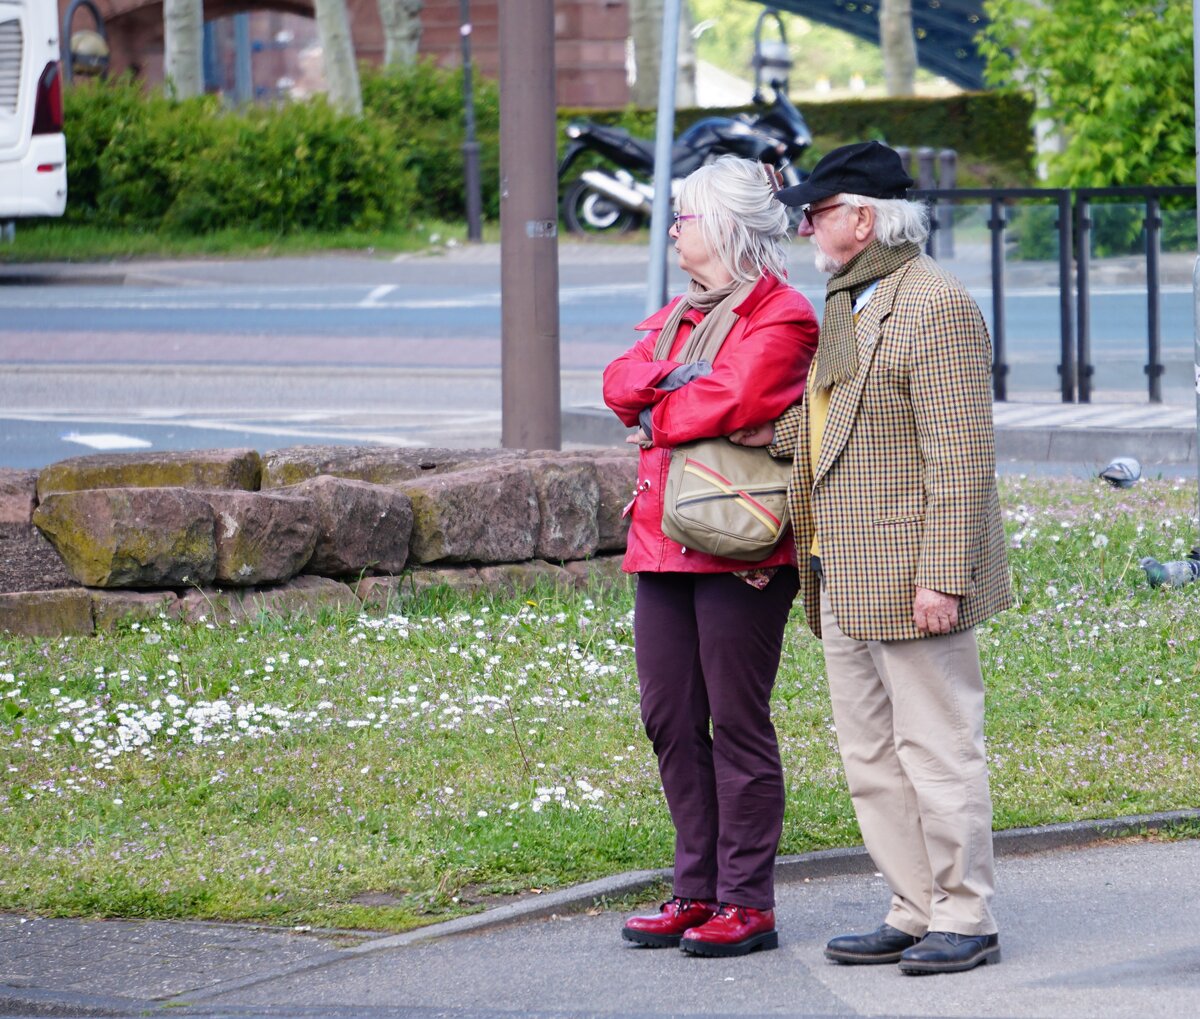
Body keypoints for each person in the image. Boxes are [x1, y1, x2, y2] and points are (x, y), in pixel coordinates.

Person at [735, 141, 1013, 975]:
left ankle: (966, 913)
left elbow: (960, 456)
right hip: (844, 571)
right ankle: (914, 905)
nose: (809, 225)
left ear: (863, 216)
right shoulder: (851, 297)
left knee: (937, 744)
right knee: (871, 755)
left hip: (913, 575)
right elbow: (832, 420)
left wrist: (941, 576)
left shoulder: (934, 304)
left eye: (819, 211)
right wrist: (761, 435)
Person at [603, 155, 819, 958]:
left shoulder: (785, 315)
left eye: (684, 218)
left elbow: (730, 398)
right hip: (661, 539)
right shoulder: (682, 313)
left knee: (737, 720)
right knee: (667, 717)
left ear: (725, 228)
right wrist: (668, 382)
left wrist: (659, 407)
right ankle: (694, 888)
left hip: (742, 543)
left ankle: (746, 901)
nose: (673, 231)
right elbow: (617, 378)